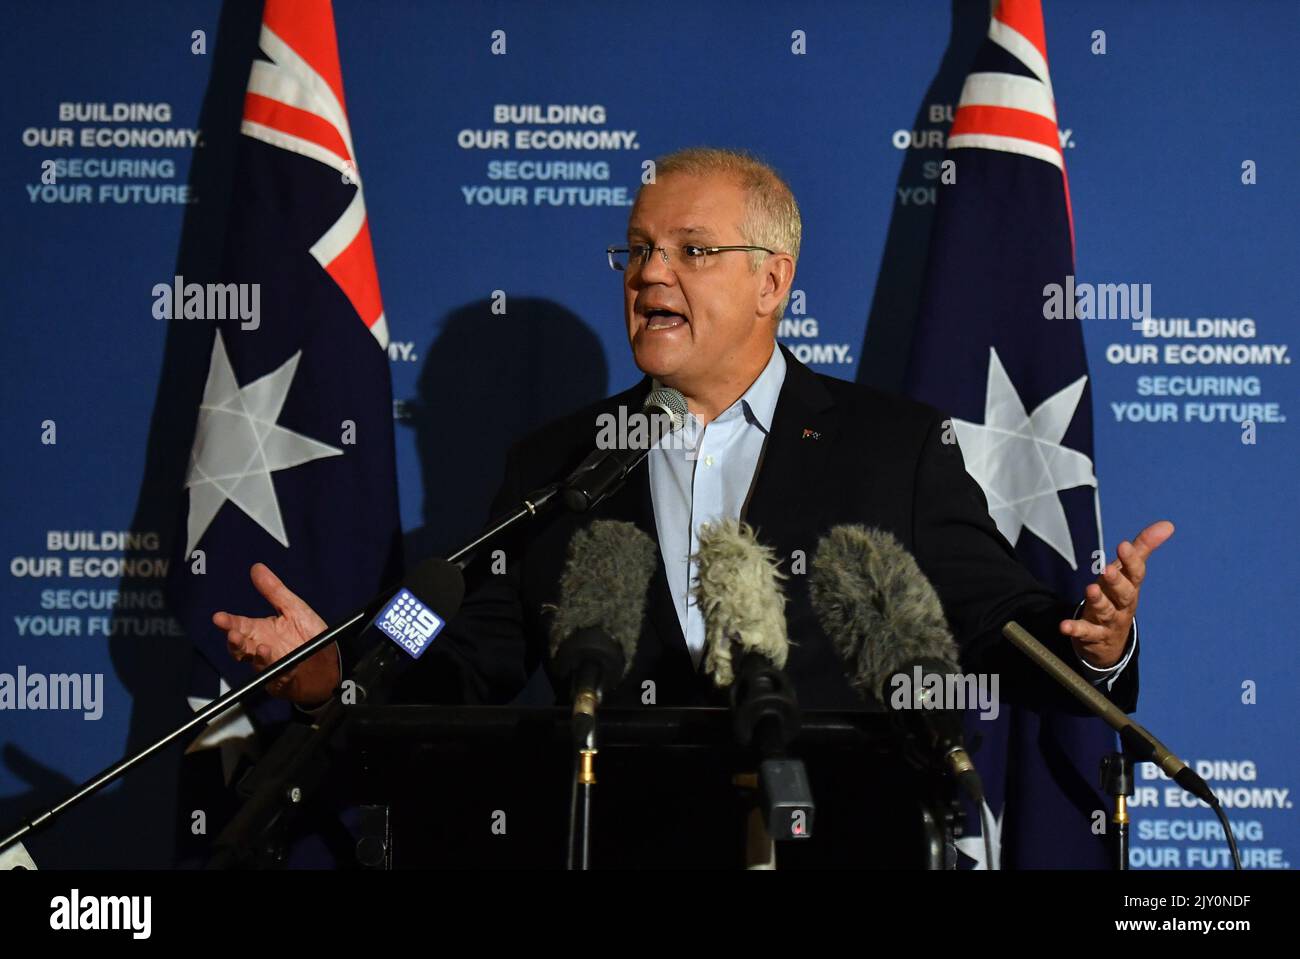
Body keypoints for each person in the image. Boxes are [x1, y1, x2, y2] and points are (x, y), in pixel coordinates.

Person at [216, 147, 1170, 716]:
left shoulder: (896, 450)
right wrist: (333, 672)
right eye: (638, 250)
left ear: (772, 280)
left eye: (692, 250)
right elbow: (470, 659)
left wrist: (1095, 643)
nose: (649, 273)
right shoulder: (558, 462)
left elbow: (999, 630)